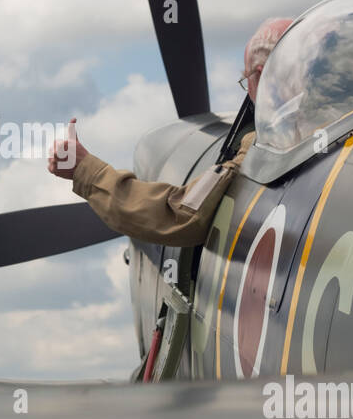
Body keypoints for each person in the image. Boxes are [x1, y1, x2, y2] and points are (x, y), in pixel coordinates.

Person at [48, 17, 294, 247]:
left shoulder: (267, 146)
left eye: (246, 79)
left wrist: (85, 170)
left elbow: (182, 216)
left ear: (262, 77)